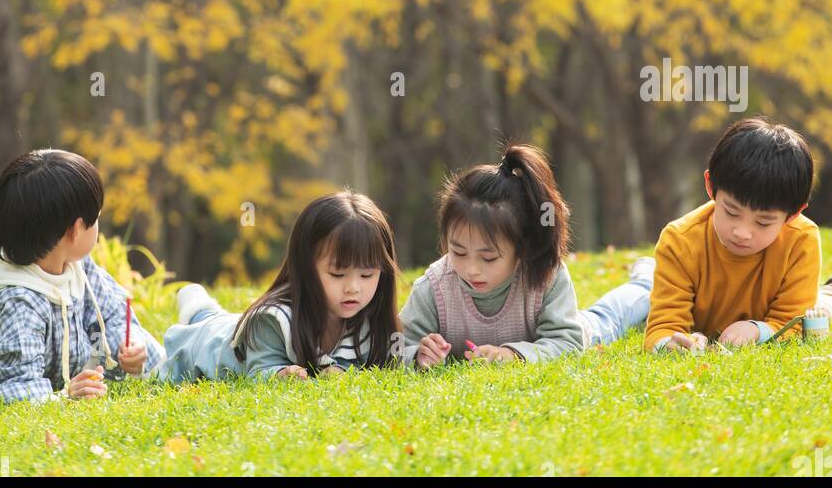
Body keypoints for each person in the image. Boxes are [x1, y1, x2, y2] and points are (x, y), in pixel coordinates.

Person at [399, 141, 652, 368]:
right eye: (458, 251)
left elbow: (567, 342)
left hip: (581, 329)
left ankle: (646, 282)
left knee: (609, 316)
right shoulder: (435, 287)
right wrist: (418, 355)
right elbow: (395, 346)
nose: (471, 269)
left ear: (522, 248)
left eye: (488, 258)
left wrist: (512, 355)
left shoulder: (545, 274)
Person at [0, 149, 164, 402]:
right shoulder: (19, 303)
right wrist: (64, 397)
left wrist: (133, 347)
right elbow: (17, 385)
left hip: (62, 366)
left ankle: (182, 351)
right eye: (96, 219)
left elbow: (113, 313)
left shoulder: (78, 266)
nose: (98, 226)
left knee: (142, 342)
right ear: (74, 231)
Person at [158, 190, 401, 383]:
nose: (353, 288)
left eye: (367, 274)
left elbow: (370, 362)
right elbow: (258, 371)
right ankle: (195, 303)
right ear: (306, 267)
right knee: (204, 327)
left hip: (228, 324)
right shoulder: (273, 321)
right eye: (338, 274)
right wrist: (280, 375)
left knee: (212, 315)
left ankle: (199, 307)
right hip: (209, 344)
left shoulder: (368, 319)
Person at [644, 117, 828, 352]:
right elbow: (662, 327)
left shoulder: (801, 240)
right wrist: (670, 344)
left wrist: (757, 330)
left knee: (821, 310)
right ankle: (643, 276)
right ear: (711, 187)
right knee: (640, 300)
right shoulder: (680, 241)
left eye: (763, 222)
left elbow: (792, 323)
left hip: (802, 301)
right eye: (731, 212)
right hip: (666, 286)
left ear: (792, 215)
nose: (742, 233)